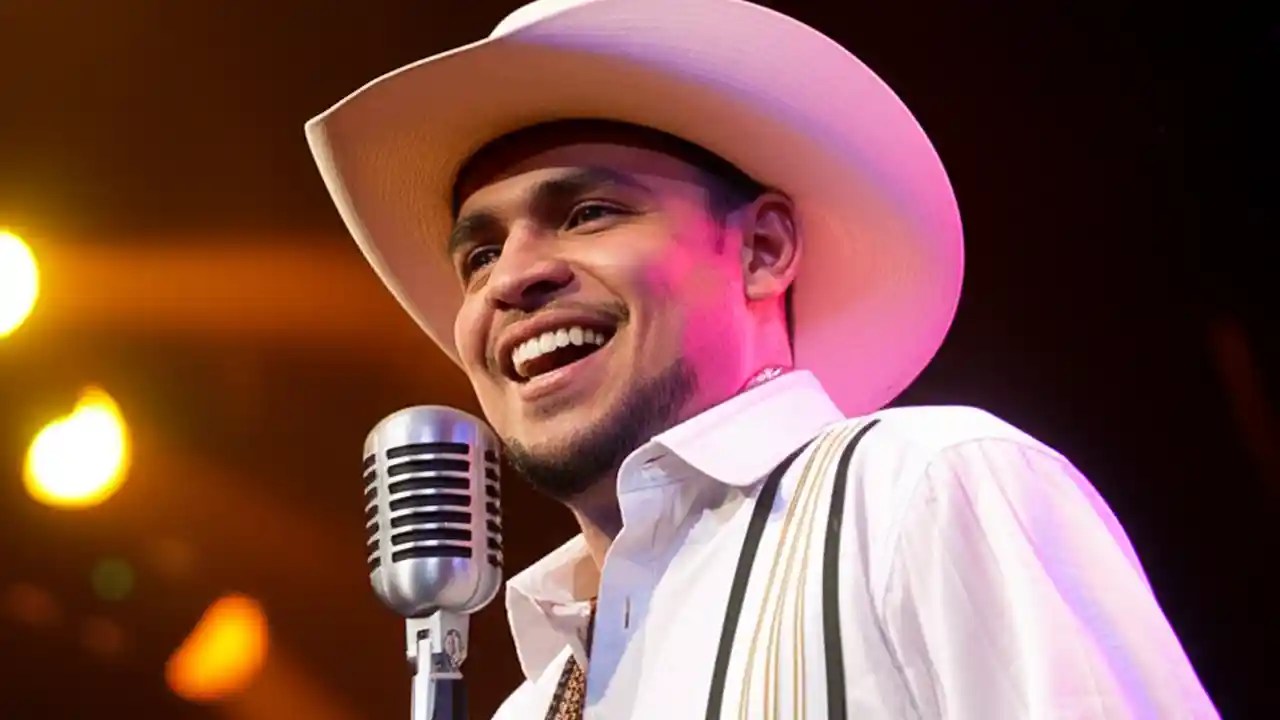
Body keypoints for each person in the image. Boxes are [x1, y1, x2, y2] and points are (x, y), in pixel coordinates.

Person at [305, 0, 1218, 717]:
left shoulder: (917, 494)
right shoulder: (536, 704)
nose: (514, 278)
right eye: (478, 256)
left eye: (589, 213)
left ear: (764, 249)